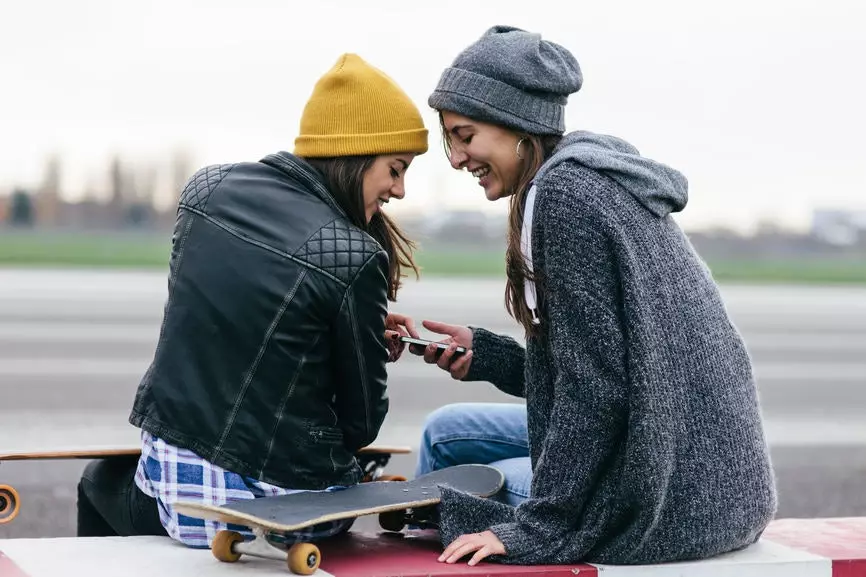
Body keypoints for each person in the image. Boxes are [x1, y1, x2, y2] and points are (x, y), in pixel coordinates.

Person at [407, 25, 777, 567]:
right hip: (704, 469)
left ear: (517, 125)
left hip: (675, 497)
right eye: (451, 140)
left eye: (465, 135)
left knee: (451, 496)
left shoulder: (564, 198)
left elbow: (595, 388)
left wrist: (535, 529)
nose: (458, 158)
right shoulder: (589, 179)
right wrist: (487, 355)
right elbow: (603, 363)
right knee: (446, 431)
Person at [76, 53, 429, 548]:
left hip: (178, 486)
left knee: (97, 481)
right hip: (284, 510)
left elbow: (228, 317)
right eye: (395, 169)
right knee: (344, 462)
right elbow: (361, 423)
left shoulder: (205, 190)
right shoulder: (355, 255)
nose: (400, 189)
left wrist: (342, 326)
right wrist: (363, 341)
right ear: (356, 153)